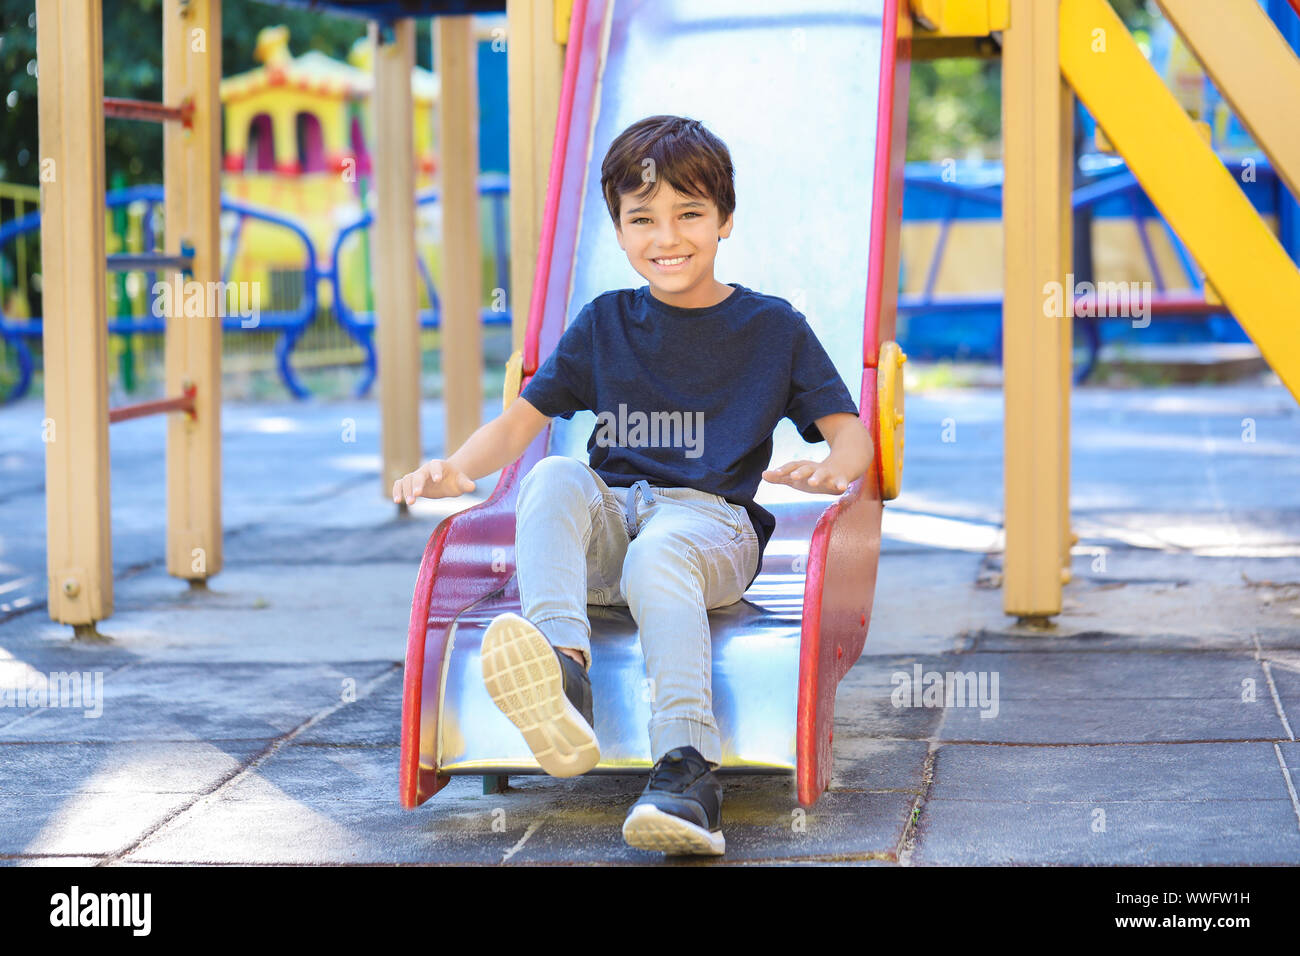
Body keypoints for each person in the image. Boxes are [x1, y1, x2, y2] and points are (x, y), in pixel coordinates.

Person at [393, 115, 872, 856]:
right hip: (614, 527)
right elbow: (518, 428)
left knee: (661, 555)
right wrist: (456, 467)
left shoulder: (773, 327)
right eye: (642, 218)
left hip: (708, 529)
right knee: (553, 474)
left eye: (689, 214)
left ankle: (687, 773)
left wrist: (837, 465)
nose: (666, 235)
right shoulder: (604, 321)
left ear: (725, 221)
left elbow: (849, 431)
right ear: (618, 229)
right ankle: (562, 676)